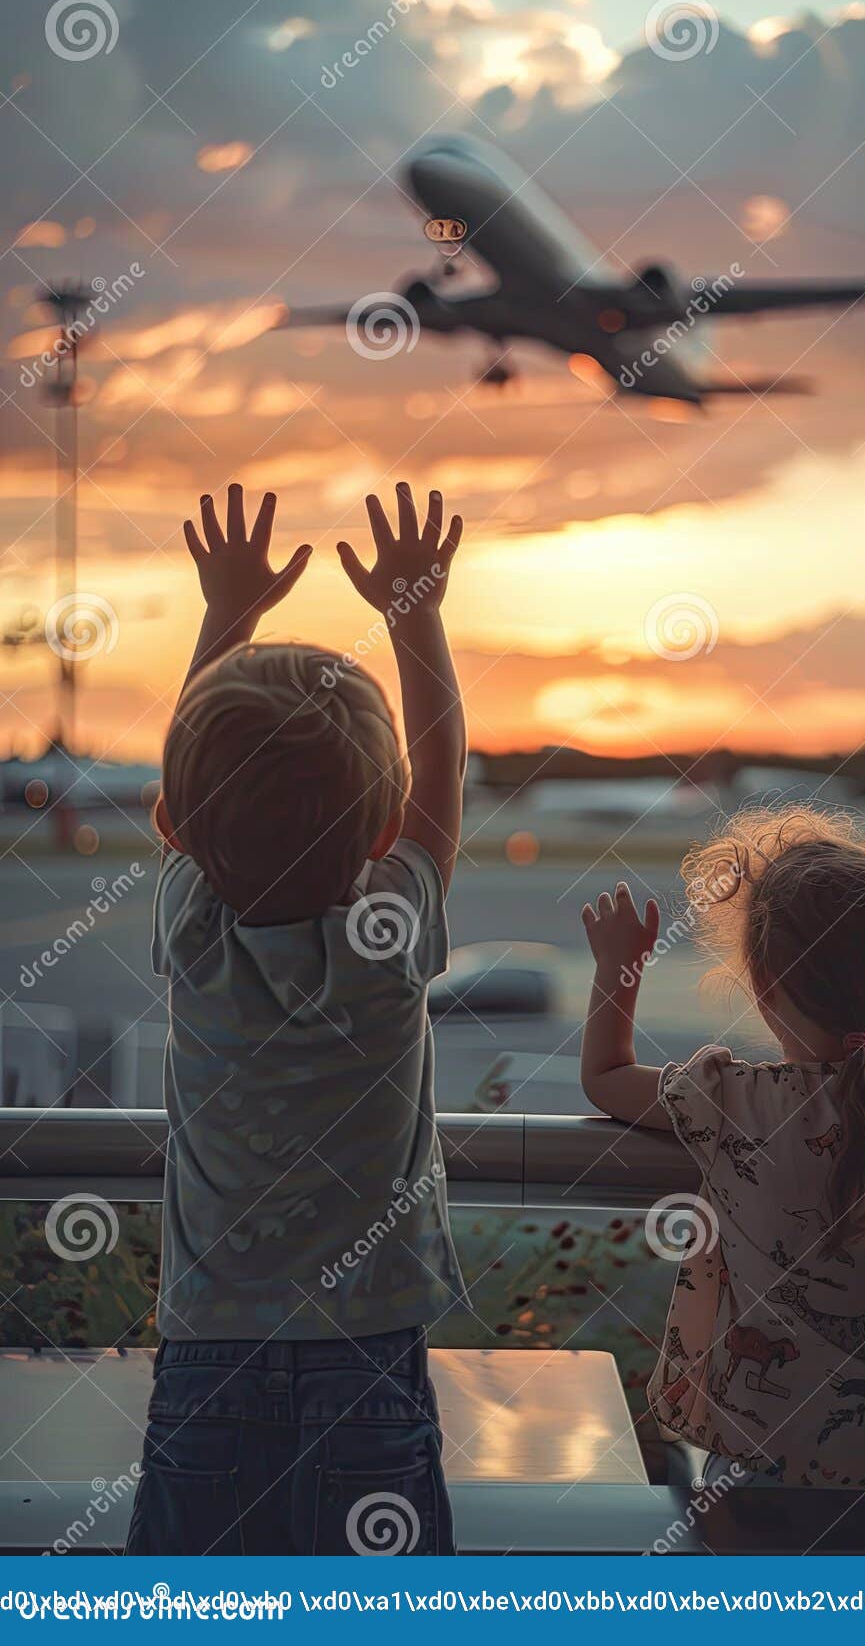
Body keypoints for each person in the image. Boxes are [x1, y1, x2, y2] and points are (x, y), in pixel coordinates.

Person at [125, 483, 466, 1555]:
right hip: (368, 1356)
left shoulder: (192, 933)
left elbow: (195, 789)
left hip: (205, 1361)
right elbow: (444, 772)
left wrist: (227, 614)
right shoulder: (390, 938)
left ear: (175, 819)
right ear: (378, 835)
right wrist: (415, 614)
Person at [579, 681, 865, 1490]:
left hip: (767, 1438)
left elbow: (604, 1077)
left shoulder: (728, 1097)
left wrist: (619, 970)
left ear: (761, 983)